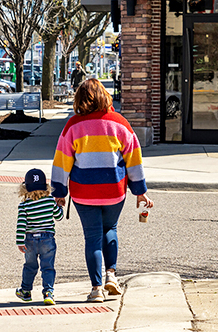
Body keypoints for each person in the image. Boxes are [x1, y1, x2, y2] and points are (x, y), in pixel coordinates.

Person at [51, 78, 154, 303]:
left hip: (83, 192)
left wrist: (59, 191)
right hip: (114, 191)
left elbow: (62, 161)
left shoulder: (72, 125)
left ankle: (96, 288)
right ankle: (111, 275)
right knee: (111, 229)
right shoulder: (120, 123)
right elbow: (134, 159)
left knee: (92, 237)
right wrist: (140, 190)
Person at [15, 168, 64, 306]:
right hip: (47, 239)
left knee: (30, 266)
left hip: (30, 239)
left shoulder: (24, 205)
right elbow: (59, 217)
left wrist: (20, 241)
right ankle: (48, 293)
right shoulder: (49, 201)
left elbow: (21, 224)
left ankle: (26, 291)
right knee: (47, 266)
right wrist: (59, 206)